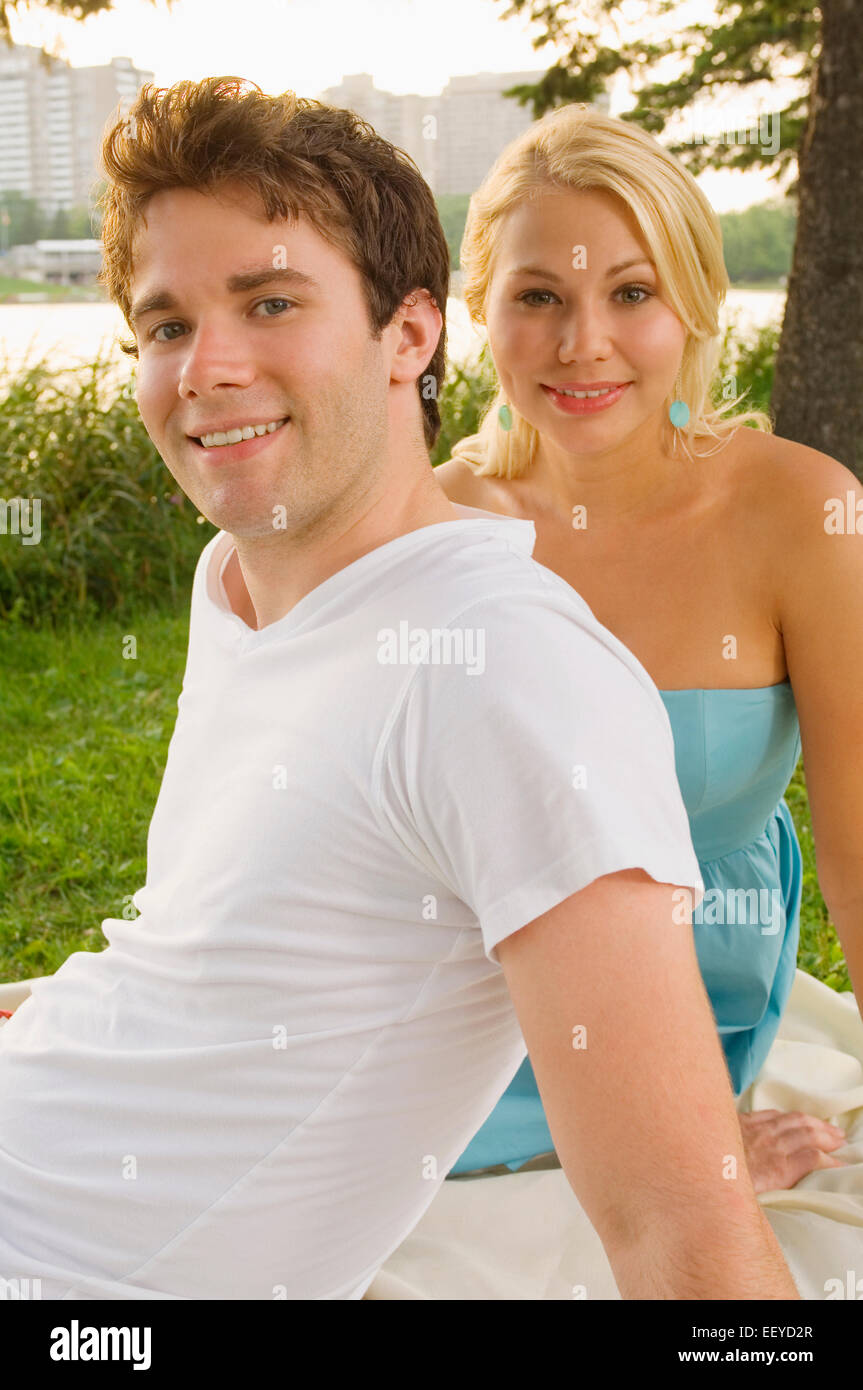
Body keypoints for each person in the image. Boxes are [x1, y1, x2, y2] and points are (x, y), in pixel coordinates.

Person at [0, 77, 797, 1301]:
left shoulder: (506, 667)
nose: (206, 368)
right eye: (165, 326)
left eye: (271, 303)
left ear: (410, 335)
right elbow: (227, 944)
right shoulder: (245, 579)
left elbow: (682, 1230)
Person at [364, 103, 863, 1301]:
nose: (582, 343)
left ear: (693, 303)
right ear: (476, 312)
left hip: (689, 991)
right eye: (537, 295)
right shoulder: (423, 526)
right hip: (469, 985)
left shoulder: (800, 511)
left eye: (630, 292)